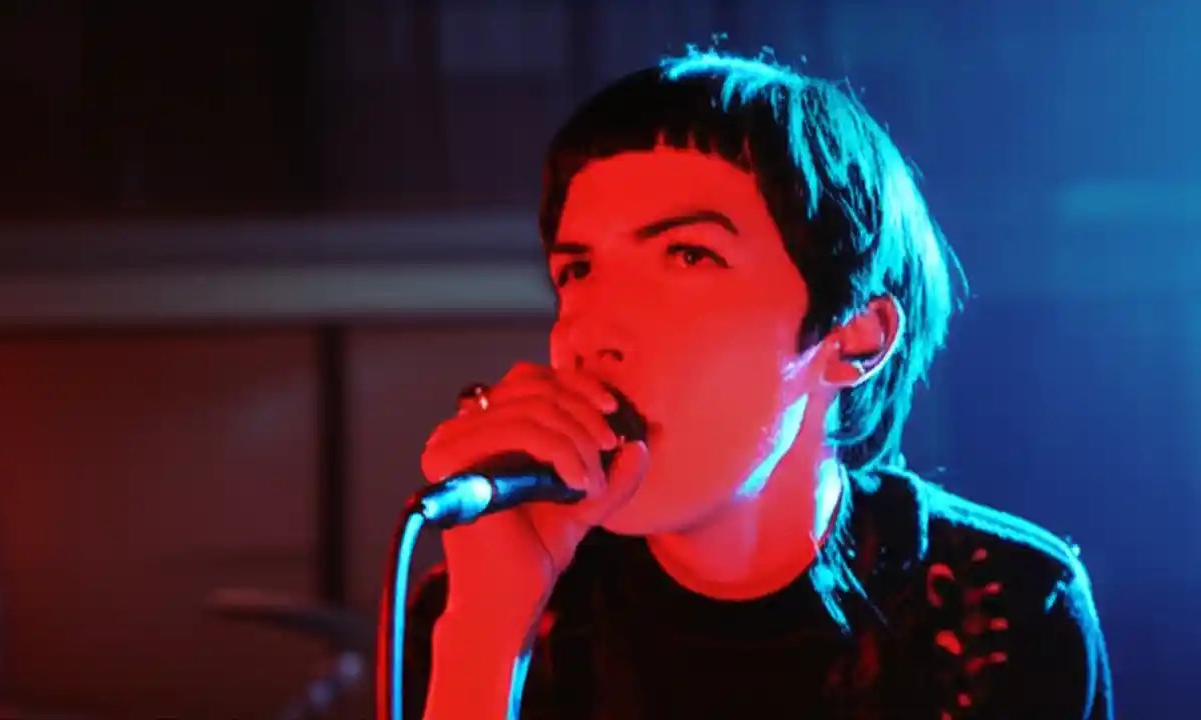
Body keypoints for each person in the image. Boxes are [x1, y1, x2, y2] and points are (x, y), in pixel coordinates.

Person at [404, 47, 1113, 719]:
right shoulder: (486, 603)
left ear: (856, 336)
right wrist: (486, 635)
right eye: (578, 271)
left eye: (688, 256)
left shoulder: (1005, 608)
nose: (591, 332)